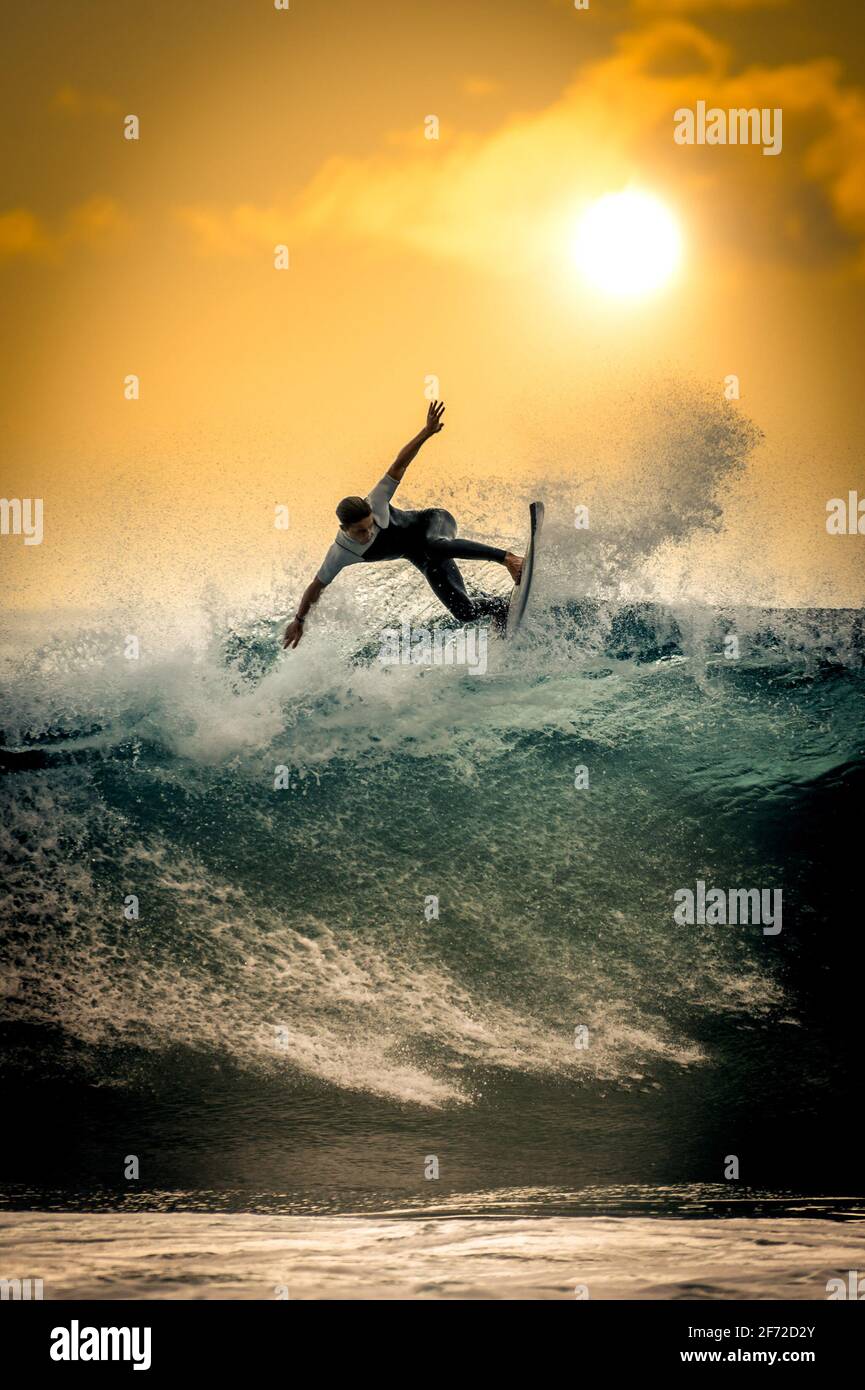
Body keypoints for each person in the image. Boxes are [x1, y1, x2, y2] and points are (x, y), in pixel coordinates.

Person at [282, 401, 523, 649]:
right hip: (427, 557)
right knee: (464, 612)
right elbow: (317, 585)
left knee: (433, 545)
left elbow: (399, 464)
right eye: (360, 531)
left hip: (435, 523)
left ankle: (509, 559)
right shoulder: (340, 553)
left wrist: (426, 432)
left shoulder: (375, 502)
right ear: (344, 529)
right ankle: (499, 608)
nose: (368, 533)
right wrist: (299, 620)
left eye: (370, 526)